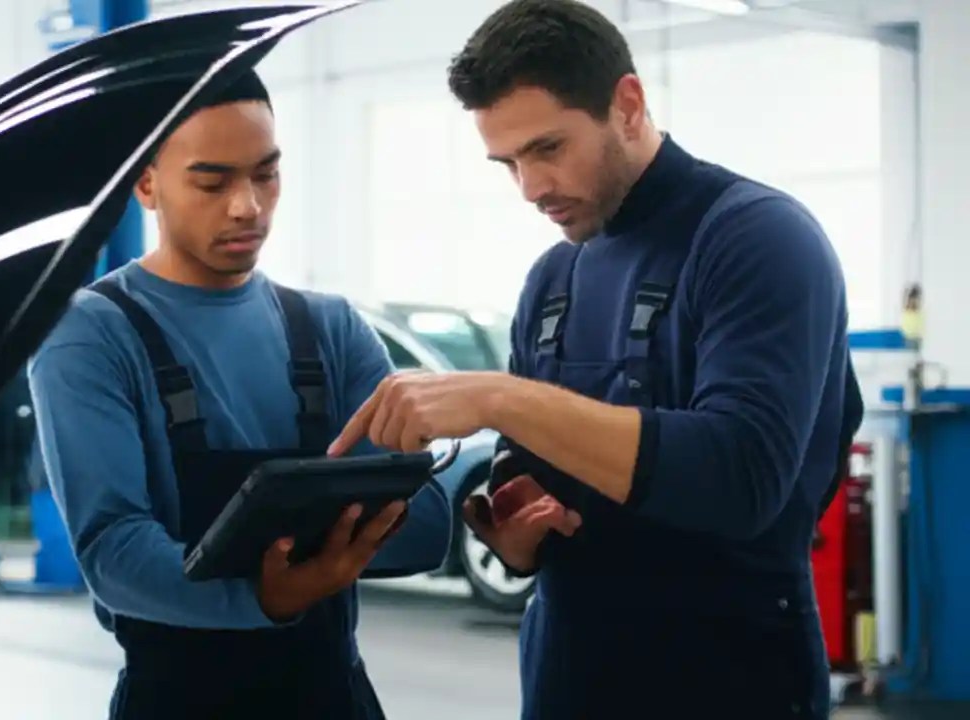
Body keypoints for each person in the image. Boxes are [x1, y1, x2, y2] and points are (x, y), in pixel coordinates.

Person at [327, 2, 864, 718]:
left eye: (549, 148)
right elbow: (522, 472)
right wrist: (516, 535)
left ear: (629, 104)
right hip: (569, 677)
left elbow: (744, 474)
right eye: (508, 162)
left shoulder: (758, 239)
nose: (530, 187)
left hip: (731, 679)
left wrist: (498, 397)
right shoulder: (552, 281)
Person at [27, 70, 452, 719]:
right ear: (146, 182)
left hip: (334, 695)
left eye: (266, 174)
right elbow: (113, 549)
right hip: (178, 701)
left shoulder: (332, 328)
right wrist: (268, 595)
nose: (247, 206)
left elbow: (425, 528)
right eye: (212, 180)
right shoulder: (89, 334)